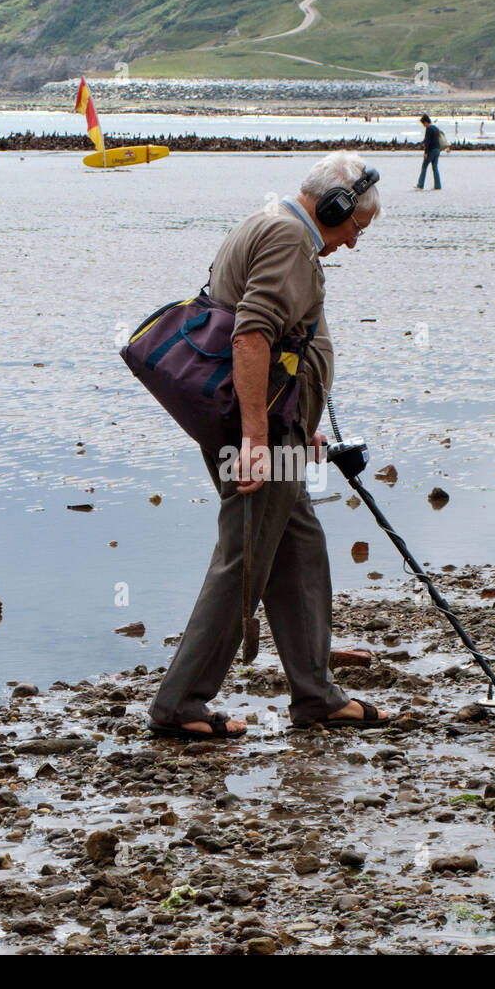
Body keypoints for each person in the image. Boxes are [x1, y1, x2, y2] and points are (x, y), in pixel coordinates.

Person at [147, 152, 390, 739]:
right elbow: (252, 335)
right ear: (333, 206)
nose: (354, 243)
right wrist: (257, 439)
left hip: (272, 426)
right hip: (255, 434)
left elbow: (281, 341)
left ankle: (316, 695)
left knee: (297, 550)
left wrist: (301, 423)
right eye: (356, 227)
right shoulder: (287, 238)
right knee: (245, 561)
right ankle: (179, 705)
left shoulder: (269, 223)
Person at [417, 113, 441, 190]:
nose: (423, 125)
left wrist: (425, 152)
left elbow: (428, 141)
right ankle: (438, 185)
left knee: (424, 166)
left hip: (431, 150)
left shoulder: (429, 129)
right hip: (437, 149)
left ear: (426, 122)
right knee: (435, 168)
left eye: (423, 123)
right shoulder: (436, 128)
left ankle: (420, 184)